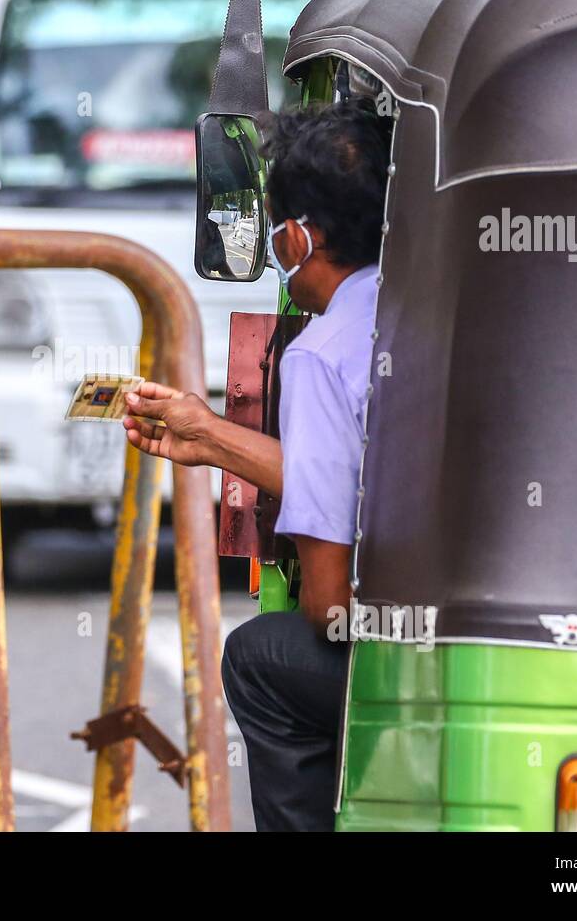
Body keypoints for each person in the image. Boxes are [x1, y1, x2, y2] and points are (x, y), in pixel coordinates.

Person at [122, 98, 393, 831]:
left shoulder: (319, 353)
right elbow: (354, 467)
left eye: (276, 231)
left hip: (406, 657)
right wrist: (208, 436)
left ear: (299, 234)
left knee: (260, 655)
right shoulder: (419, 308)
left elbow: (331, 608)